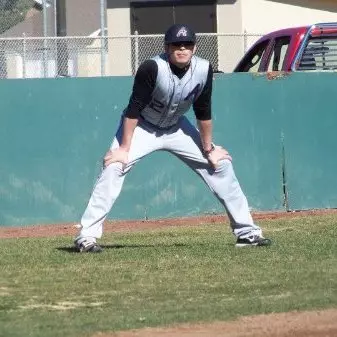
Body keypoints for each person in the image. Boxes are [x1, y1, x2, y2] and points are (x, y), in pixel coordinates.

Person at [74, 24, 272, 253]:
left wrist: (209, 149)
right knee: (114, 166)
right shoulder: (151, 68)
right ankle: (86, 237)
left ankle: (247, 233)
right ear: (167, 47)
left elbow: (203, 111)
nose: (182, 48)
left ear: (194, 47)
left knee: (221, 165)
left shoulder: (203, 69)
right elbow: (133, 109)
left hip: (176, 127)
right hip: (142, 127)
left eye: (187, 44)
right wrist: (124, 148)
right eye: (176, 44)